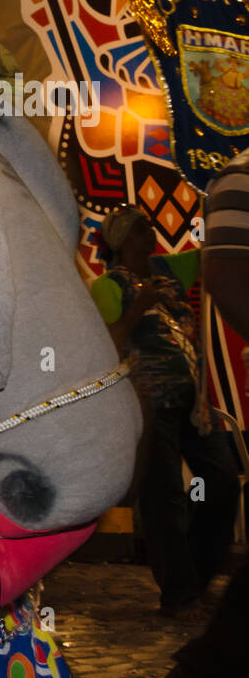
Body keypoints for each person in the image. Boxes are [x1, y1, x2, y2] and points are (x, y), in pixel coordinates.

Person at [91, 205, 239, 616]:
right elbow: (108, 345)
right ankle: (179, 594)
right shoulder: (108, 286)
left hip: (195, 406)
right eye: (139, 229)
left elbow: (216, 252)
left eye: (149, 227)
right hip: (148, 406)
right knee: (165, 498)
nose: (149, 233)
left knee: (223, 483)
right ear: (121, 240)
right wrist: (140, 306)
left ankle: (198, 576)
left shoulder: (169, 270)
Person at [164, 152, 249, 678]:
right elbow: (226, 277)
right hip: (168, 399)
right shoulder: (243, 173)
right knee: (177, 494)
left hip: (190, 399)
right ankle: (207, 673)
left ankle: (208, 674)